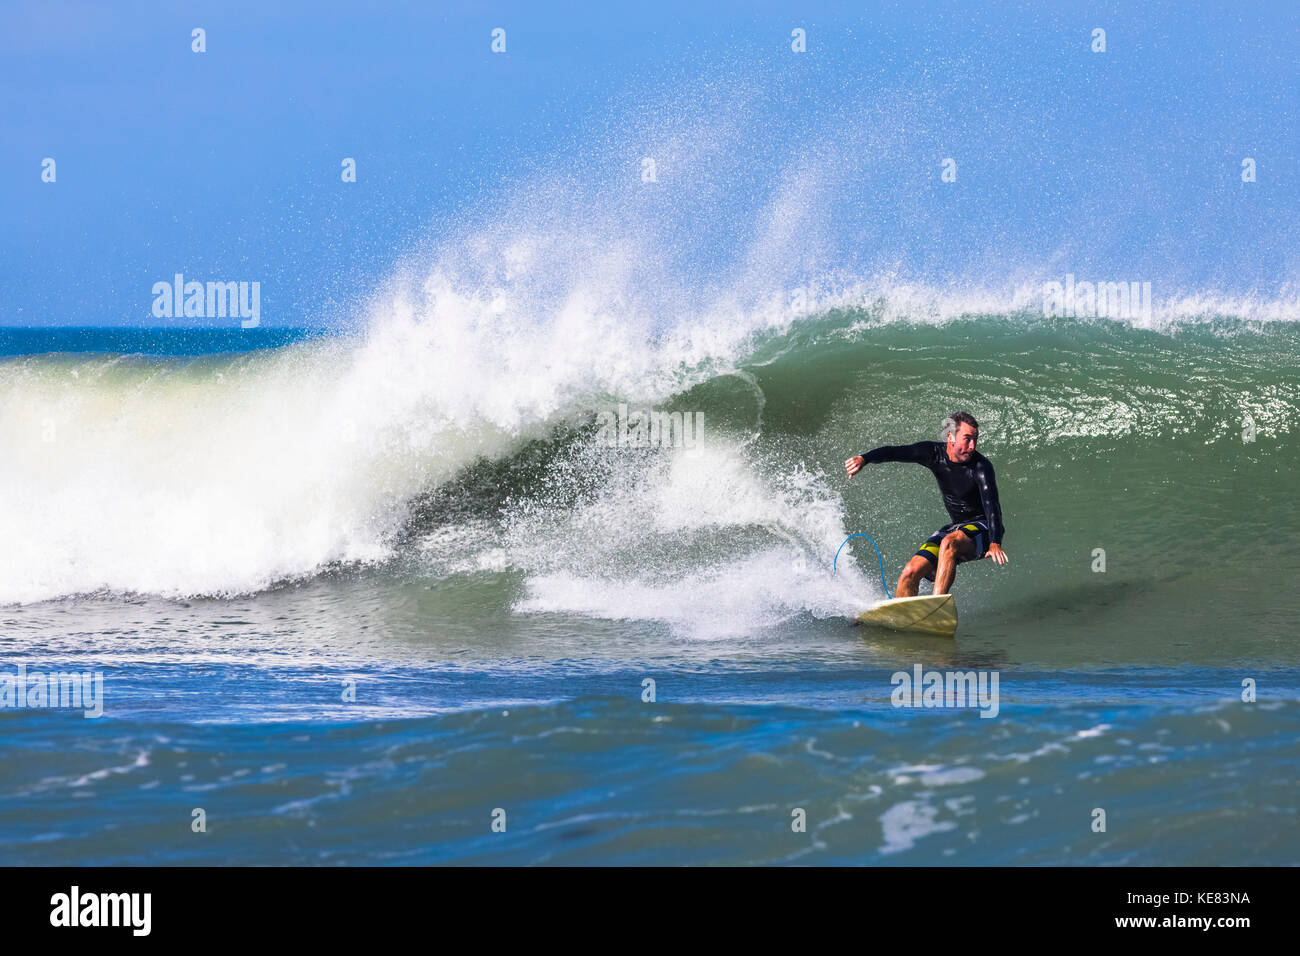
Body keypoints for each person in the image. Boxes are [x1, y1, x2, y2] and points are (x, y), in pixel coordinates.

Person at [844, 412, 1007, 597]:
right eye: (967, 439)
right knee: (910, 572)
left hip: (985, 528)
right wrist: (864, 459)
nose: (972, 446)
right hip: (957, 528)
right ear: (950, 437)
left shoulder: (981, 467)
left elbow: (992, 505)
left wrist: (995, 542)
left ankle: (936, 604)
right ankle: (902, 616)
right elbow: (895, 452)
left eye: (975, 440)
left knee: (949, 542)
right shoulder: (934, 453)